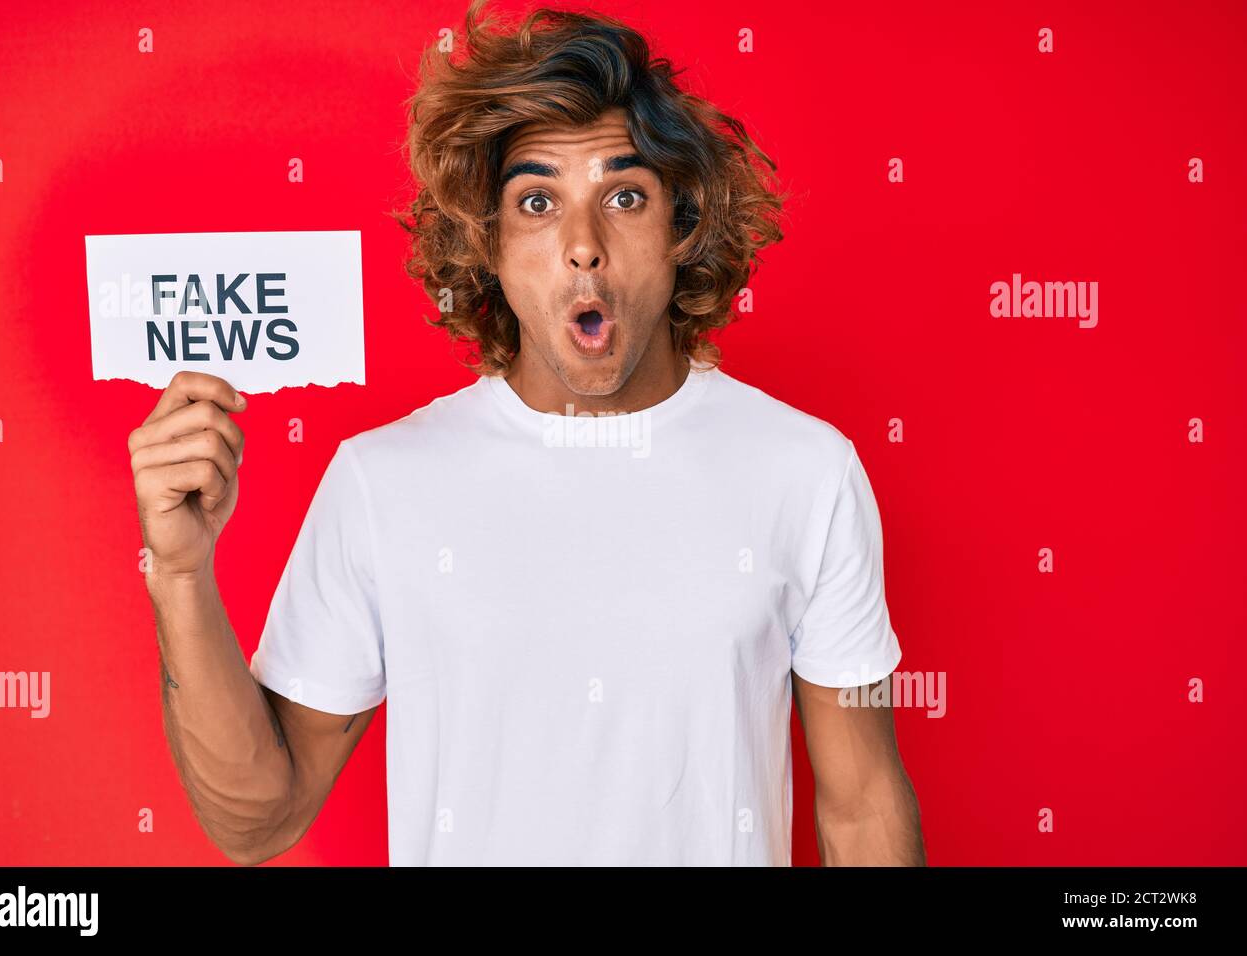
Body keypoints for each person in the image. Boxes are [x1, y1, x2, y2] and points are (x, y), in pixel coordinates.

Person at [129, 0, 924, 866]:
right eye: (538, 202)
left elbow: (860, 809)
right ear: (492, 248)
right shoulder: (381, 482)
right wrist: (178, 572)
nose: (583, 246)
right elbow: (256, 822)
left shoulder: (805, 471)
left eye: (624, 196)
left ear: (681, 228)